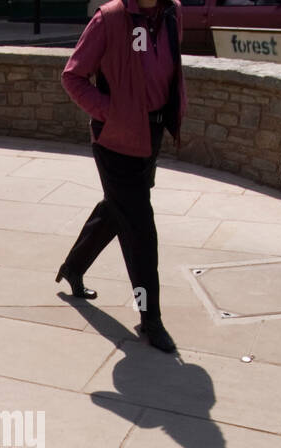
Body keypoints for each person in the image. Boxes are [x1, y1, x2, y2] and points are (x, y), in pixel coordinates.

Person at [58, 0, 189, 354]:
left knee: (120, 208)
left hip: (153, 133)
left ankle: (73, 267)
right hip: (116, 139)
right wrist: (111, 113)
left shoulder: (173, 12)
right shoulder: (110, 18)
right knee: (141, 229)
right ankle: (151, 318)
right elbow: (73, 76)